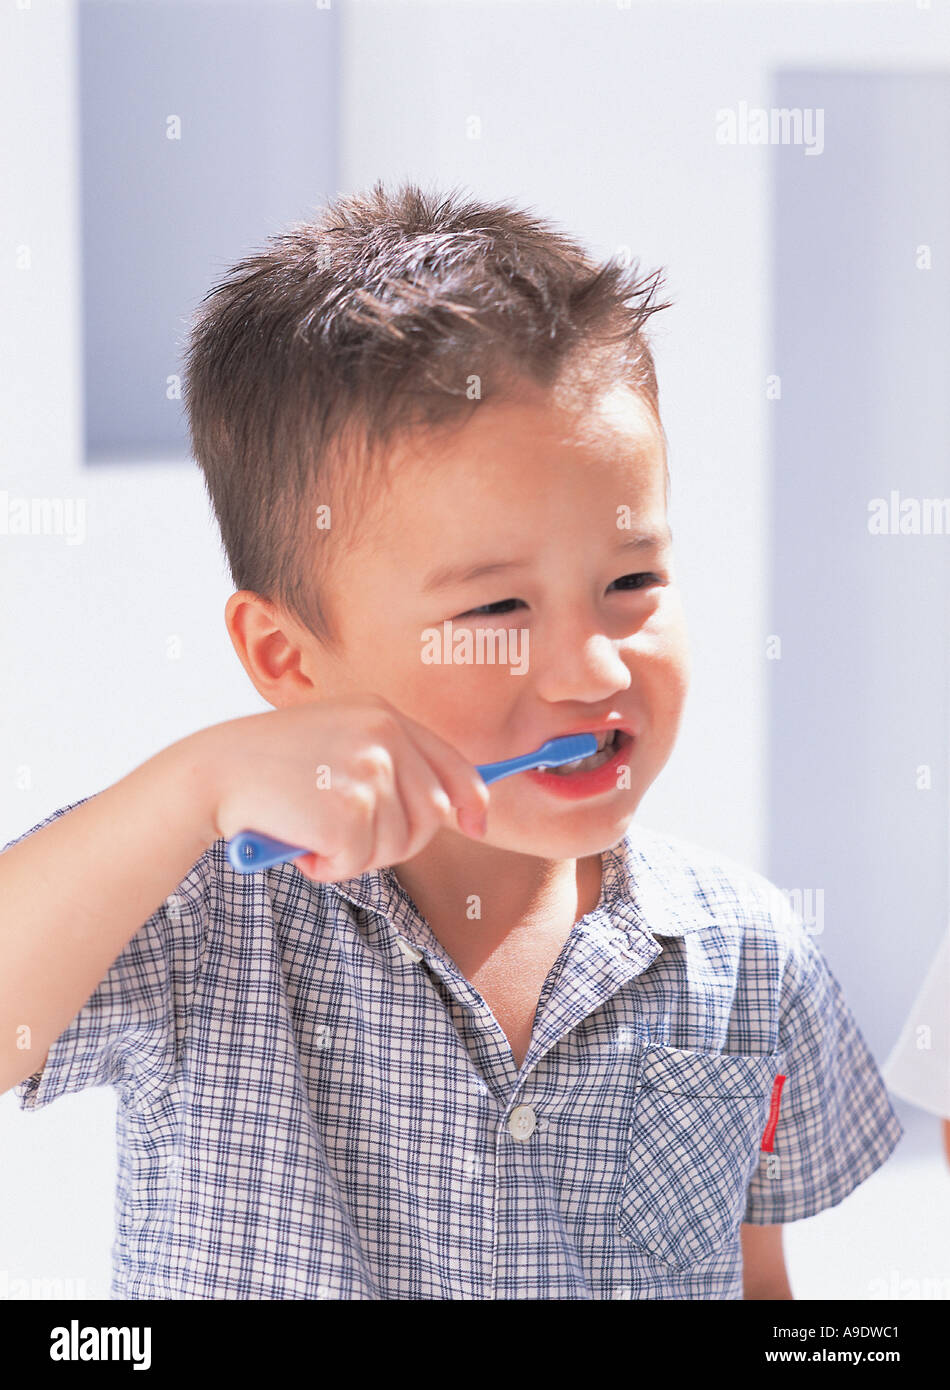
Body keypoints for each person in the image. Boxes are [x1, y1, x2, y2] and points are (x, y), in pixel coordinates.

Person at [0, 180, 902, 1300]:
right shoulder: (199, 906)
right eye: (498, 608)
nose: (594, 671)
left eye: (631, 580)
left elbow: (757, 1282)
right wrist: (196, 783)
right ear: (288, 660)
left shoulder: (748, 953)